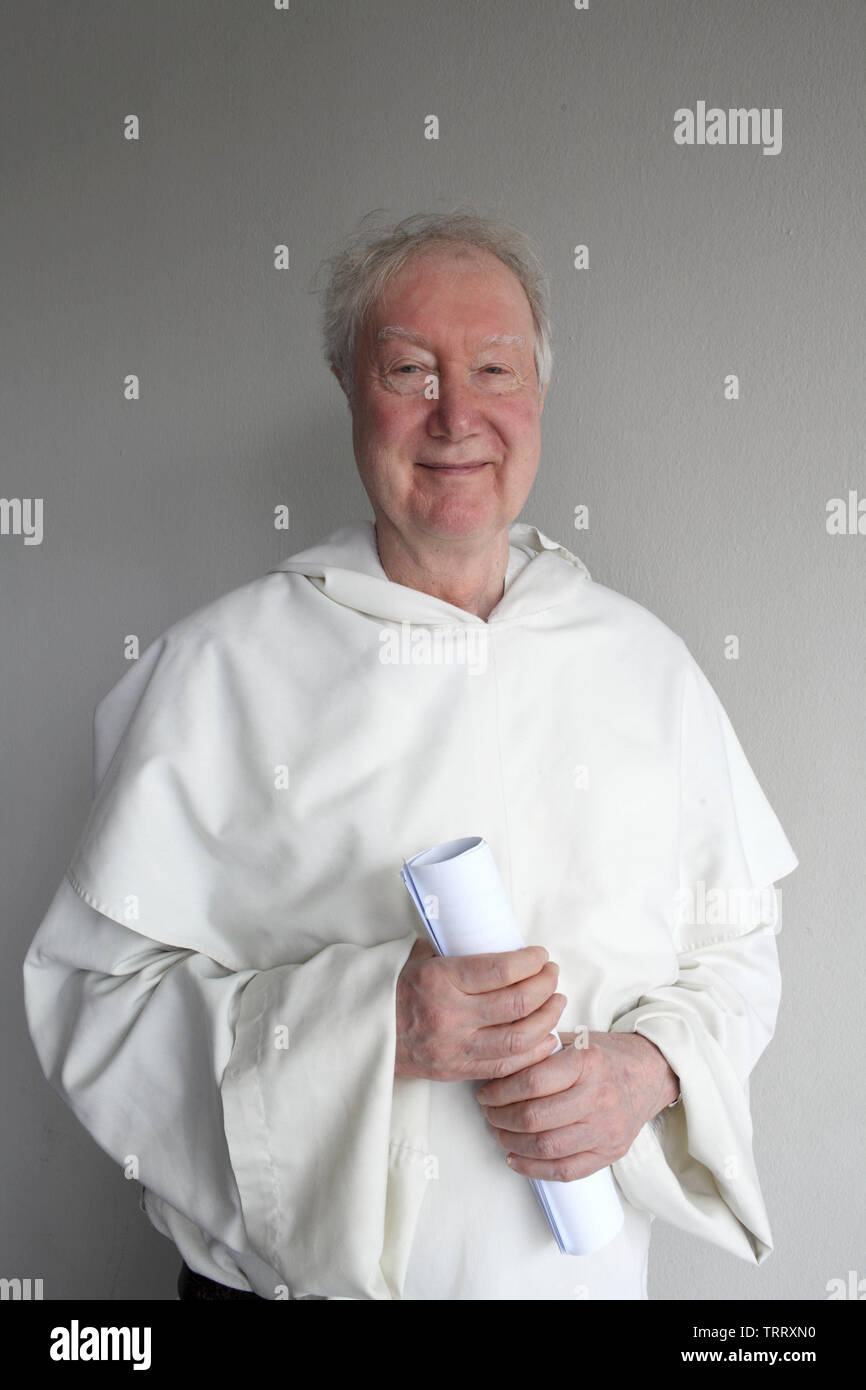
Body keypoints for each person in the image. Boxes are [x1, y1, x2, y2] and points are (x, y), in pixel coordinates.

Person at [22, 208, 798, 1301]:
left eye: (493, 366)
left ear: (537, 392)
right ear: (348, 386)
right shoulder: (220, 667)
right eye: (407, 369)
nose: (456, 415)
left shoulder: (646, 666)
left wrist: (649, 1069)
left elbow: (731, 955)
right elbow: (97, 1001)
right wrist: (375, 1025)